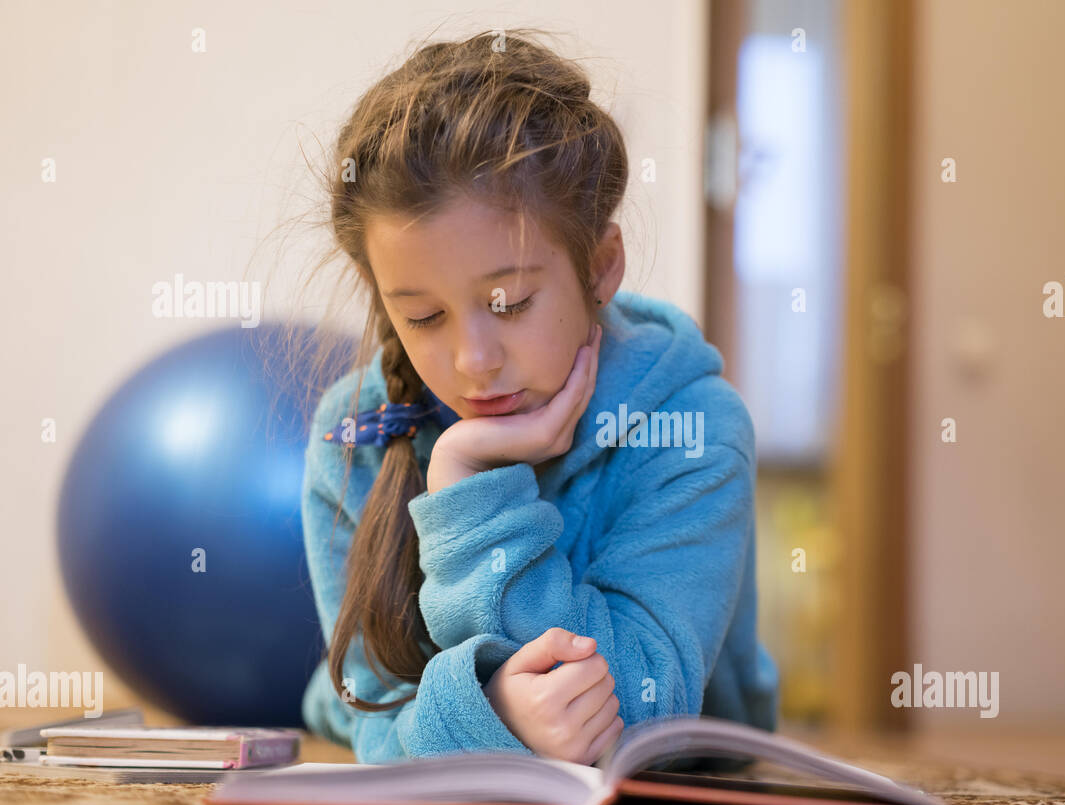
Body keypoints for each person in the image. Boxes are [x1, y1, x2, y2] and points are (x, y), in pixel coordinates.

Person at [297, 28, 779, 766]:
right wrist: (491, 713)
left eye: (511, 301)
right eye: (422, 317)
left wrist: (467, 490)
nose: (472, 362)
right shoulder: (356, 434)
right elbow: (376, 716)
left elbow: (640, 707)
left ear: (602, 265)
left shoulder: (694, 427)